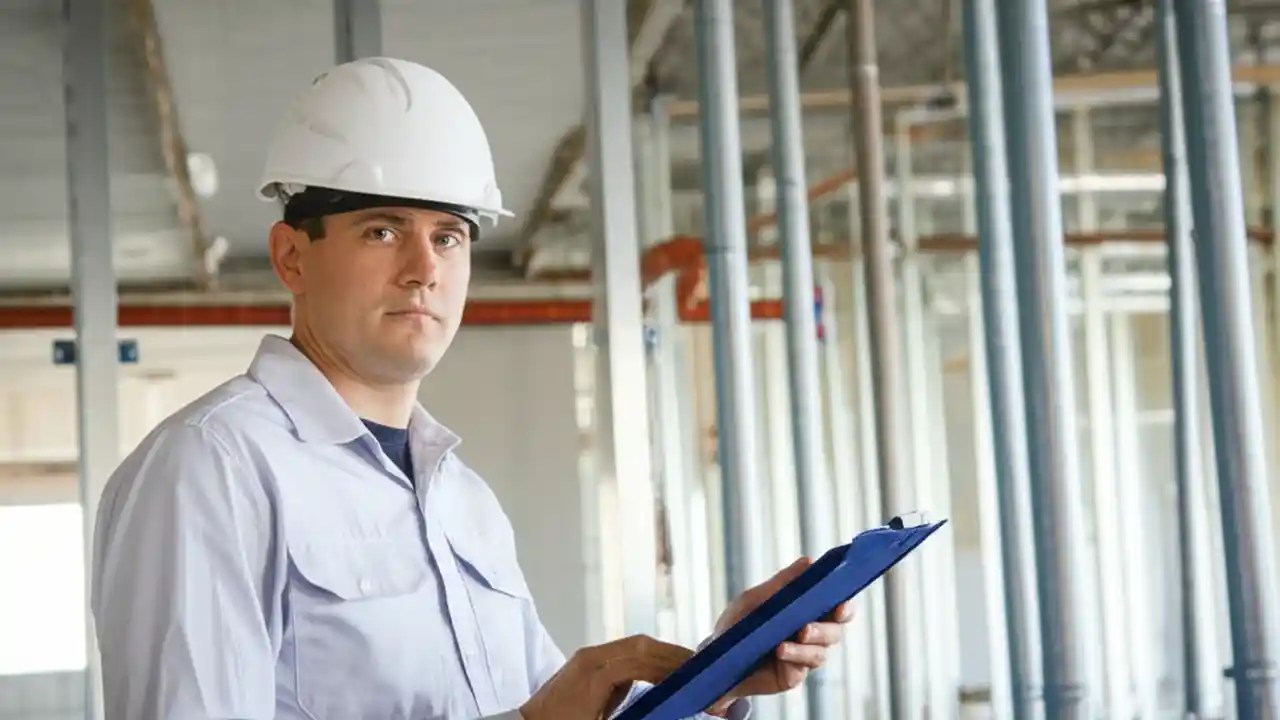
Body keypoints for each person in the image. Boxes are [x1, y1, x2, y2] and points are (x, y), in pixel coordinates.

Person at [90, 57, 854, 720]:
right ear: (292, 256)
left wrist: (715, 672)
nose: (424, 268)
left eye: (448, 236)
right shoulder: (210, 470)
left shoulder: (460, 497)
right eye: (382, 230)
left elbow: (561, 717)